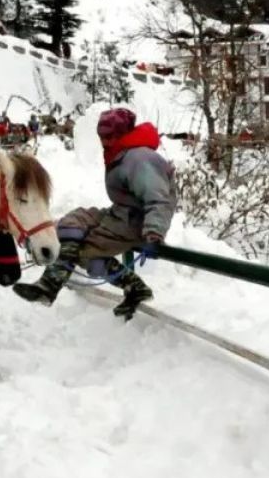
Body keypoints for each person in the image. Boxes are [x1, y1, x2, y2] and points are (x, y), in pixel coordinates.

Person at [13, 107, 173, 319]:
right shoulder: (122, 153)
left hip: (138, 221)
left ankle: (135, 287)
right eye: (102, 136)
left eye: (109, 136)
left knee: (87, 254)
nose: (105, 141)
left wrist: (154, 232)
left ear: (122, 133)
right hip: (121, 212)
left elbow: (158, 198)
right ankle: (49, 284)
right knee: (73, 222)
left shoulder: (139, 158)